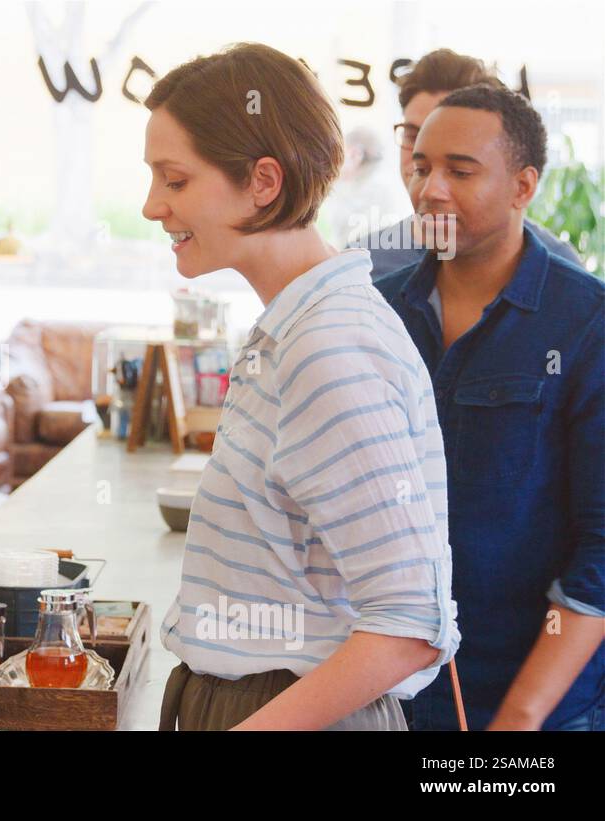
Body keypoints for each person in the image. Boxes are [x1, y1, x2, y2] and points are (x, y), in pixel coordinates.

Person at [141, 43, 459, 730]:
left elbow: (410, 621)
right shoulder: (294, 328)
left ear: (263, 181)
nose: (150, 206)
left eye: (173, 180)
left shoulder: (329, 342)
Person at [375, 84, 605, 730]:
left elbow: (603, 547)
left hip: (539, 705)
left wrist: (522, 715)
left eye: (460, 170)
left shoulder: (585, 322)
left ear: (523, 186)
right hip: (387, 694)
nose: (431, 189)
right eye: (422, 167)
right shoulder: (376, 312)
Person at [346, 48, 580, 279]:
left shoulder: (561, 274)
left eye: (459, 167)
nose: (423, 151)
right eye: (412, 134)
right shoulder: (362, 265)